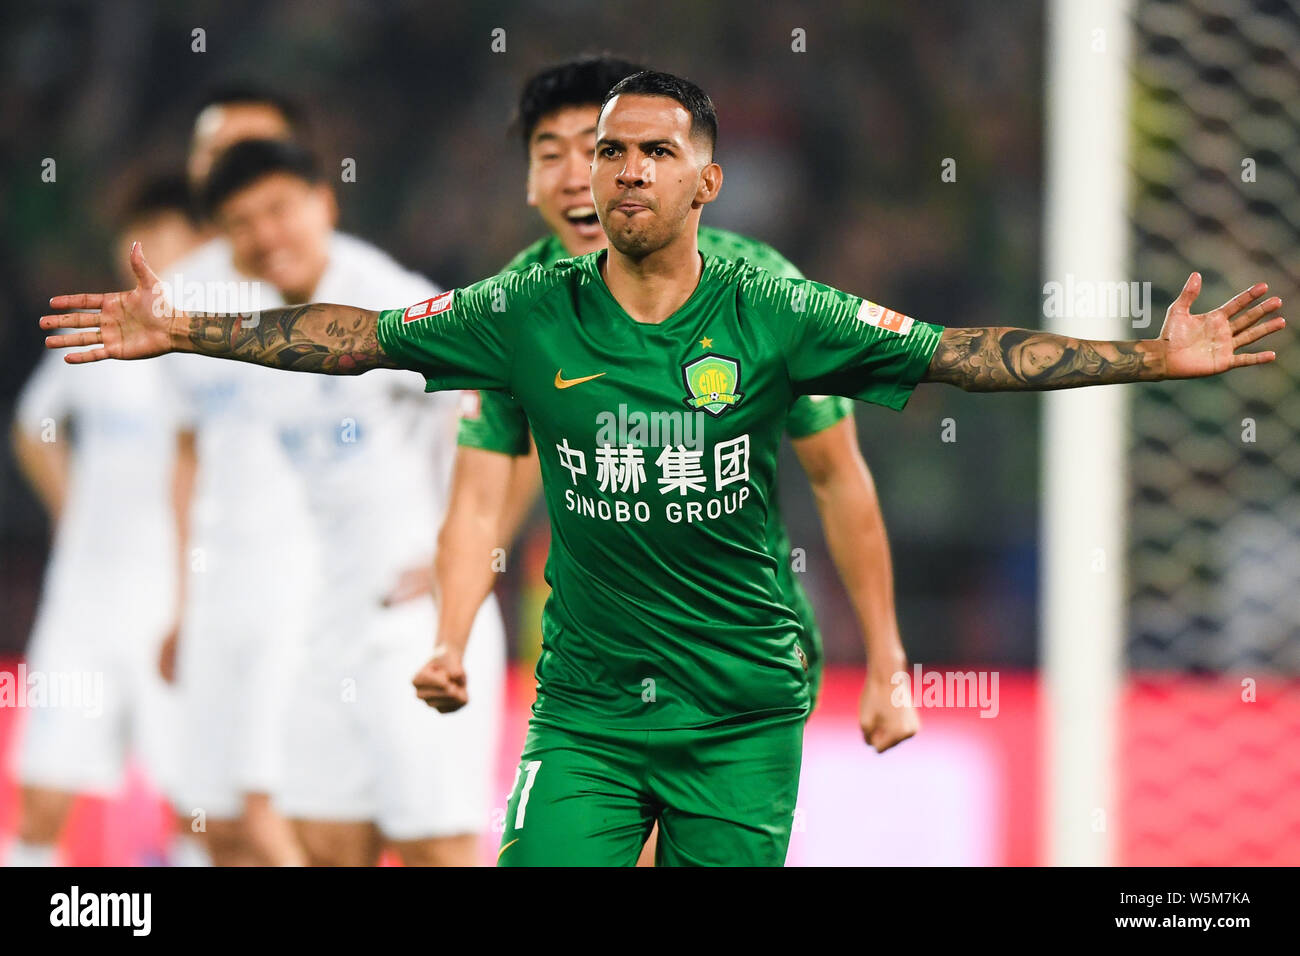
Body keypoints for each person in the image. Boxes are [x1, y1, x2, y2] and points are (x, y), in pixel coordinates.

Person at [40, 71, 1285, 866]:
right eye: (602, 152)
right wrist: (188, 325)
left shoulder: (775, 307)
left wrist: (1143, 357)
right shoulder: (527, 309)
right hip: (584, 703)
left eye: (649, 151)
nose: (616, 171)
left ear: (706, 179)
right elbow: (360, 341)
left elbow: (958, 354)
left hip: (739, 702)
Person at [415, 55, 918, 866]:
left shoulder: (758, 291)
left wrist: (888, 659)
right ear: (532, 184)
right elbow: (481, 497)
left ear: (692, 176)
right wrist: (451, 634)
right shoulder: (521, 306)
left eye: (609, 147)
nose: (589, 173)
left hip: (732, 661)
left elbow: (837, 475)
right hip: (596, 658)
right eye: (560, 153)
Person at [185, 138, 504, 866]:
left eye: (278, 209)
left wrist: (463, 544)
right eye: (240, 222)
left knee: (436, 850)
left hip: (415, 619)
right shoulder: (257, 334)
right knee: (325, 843)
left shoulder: (386, 298)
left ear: (323, 202)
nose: (265, 235)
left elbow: (490, 405)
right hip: (325, 622)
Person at [7, 175, 203, 867]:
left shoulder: (228, 348)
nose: (148, 251)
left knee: (199, 809)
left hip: (181, 604)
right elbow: (34, 429)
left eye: (169, 237)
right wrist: (72, 513)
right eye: (138, 236)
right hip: (85, 602)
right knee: (44, 797)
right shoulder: (93, 334)